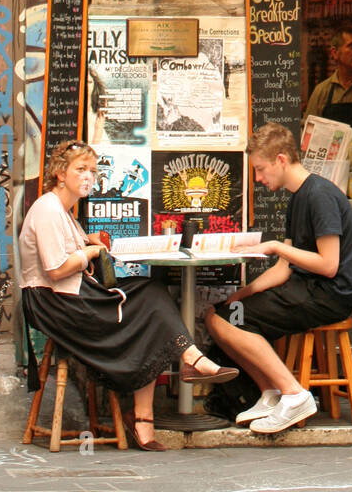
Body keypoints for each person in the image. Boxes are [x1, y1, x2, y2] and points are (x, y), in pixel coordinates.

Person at [19, 139, 238, 452]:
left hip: (70, 295)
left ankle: (158, 401)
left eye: (92, 171)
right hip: (55, 303)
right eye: (80, 169)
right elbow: (56, 270)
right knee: (149, 303)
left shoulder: (63, 212)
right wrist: (92, 249)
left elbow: (69, 249)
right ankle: (185, 367)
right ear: (60, 173)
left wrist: (88, 240)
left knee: (151, 294)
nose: (87, 177)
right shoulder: (48, 209)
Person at [205, 122, 352, 433]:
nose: (259, 179)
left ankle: (294, 394)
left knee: (226, 321)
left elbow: (329, 265)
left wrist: (277, 246)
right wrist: (243, 293)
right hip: (308, 288)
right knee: (223, 316)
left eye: (261, 169)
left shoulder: (319, 195)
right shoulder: (298, 198)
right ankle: (271, 393)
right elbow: (283, 268)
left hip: (330, 294)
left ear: (280, 159)